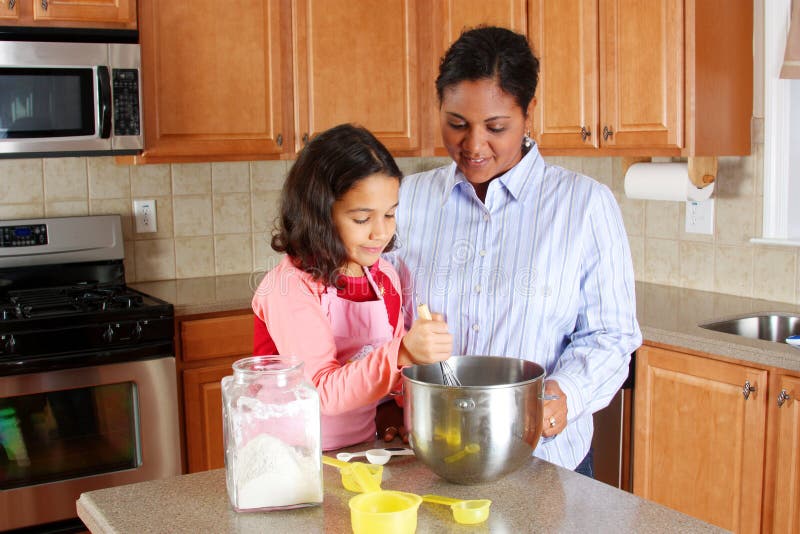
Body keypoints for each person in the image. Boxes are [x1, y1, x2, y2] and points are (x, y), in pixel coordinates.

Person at [386, 27, 642, 476]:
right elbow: (374, 315)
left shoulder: (585, 206)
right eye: (457, 124)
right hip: (431, 459)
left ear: (529, 114)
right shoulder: (406, 200)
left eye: (496, 127)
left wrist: (565, 395)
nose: (473, 145)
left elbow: (612, 335)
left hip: (546, 461)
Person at [252, 123, 452, 451]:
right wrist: (403, 351)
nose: (380, 233)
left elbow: (386, 377)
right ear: (319, 214)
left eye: (390, 214)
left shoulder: (384, 277)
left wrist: (397, 404)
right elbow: (320, 392)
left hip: (357, 452)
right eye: (362, 219)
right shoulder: (290, 287)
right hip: (291, 457)